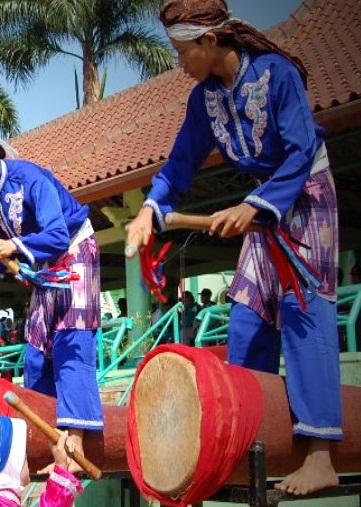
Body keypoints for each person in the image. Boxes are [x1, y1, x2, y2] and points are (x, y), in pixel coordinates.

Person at [125, 0, 340, 494]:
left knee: (303, 309)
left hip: (305, 194)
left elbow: (301, 150)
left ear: (208, 41)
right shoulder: (203, 102)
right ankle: (249, 444)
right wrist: (147, 210)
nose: (178, 62)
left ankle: (322, 457)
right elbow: (179, 166)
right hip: (264, 204)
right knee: (246, 316)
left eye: (182, 50)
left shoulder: (276, 74)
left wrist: (256, 206)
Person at [0, 128, 103, 473]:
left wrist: (14, 246)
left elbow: (58, 235)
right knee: (35, 353)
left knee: (70, 341)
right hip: (44, 266)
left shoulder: (29, 178)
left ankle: (75, 442)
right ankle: (50, 442)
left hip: (74, 253)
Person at [0, 414, 82, 507]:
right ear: (9, 465)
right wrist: (61, 467)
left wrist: (61, 471)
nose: (27, 459)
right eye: (23, 454)